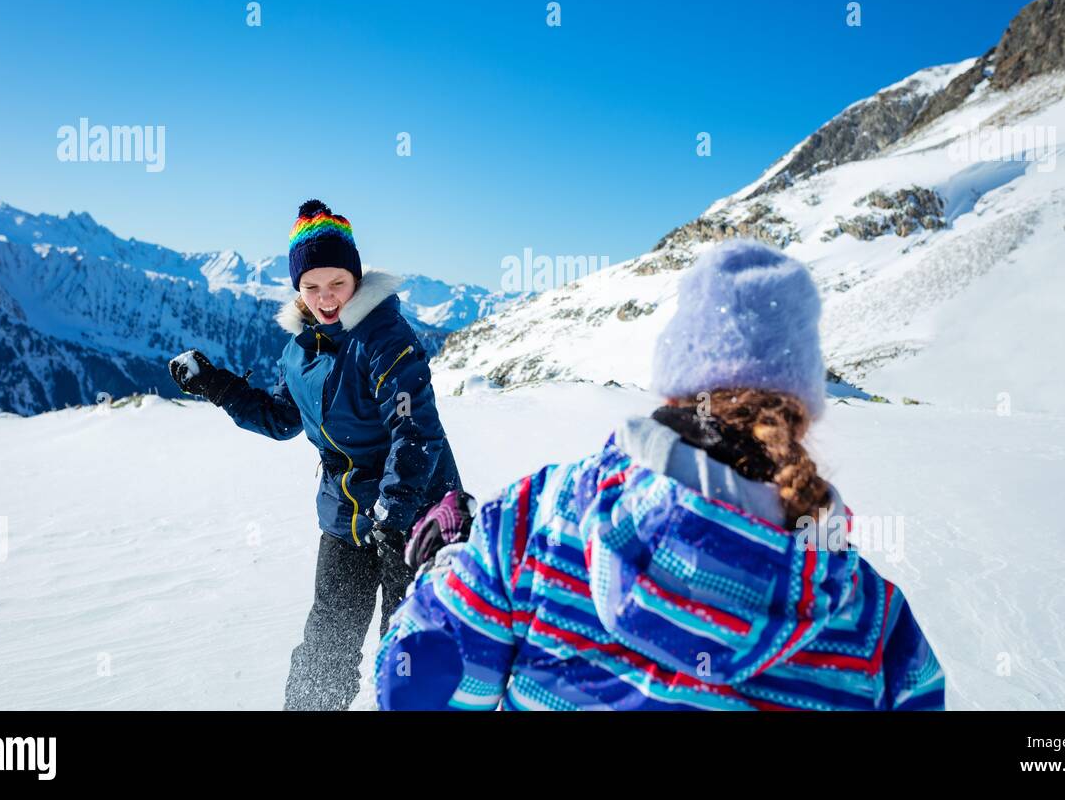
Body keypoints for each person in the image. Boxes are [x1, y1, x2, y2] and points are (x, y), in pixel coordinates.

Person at [374, 239, 944, 710]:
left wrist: (446, 565)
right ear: (802, 410)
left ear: (675, 384)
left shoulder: (534, 523)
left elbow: (416, 694)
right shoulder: (874, 624)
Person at [168, 199, 461, 710]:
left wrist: (393, 515)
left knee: (411, 649)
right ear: (298, 290)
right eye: (312, 287)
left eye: (337, 284)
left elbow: (416, 431)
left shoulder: (384, 338)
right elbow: (283, 417)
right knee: (326, 647)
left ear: (356, 278)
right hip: (345, 515)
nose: (326, 299)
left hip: (413, 514)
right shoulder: (301, 350)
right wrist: (216, 385)